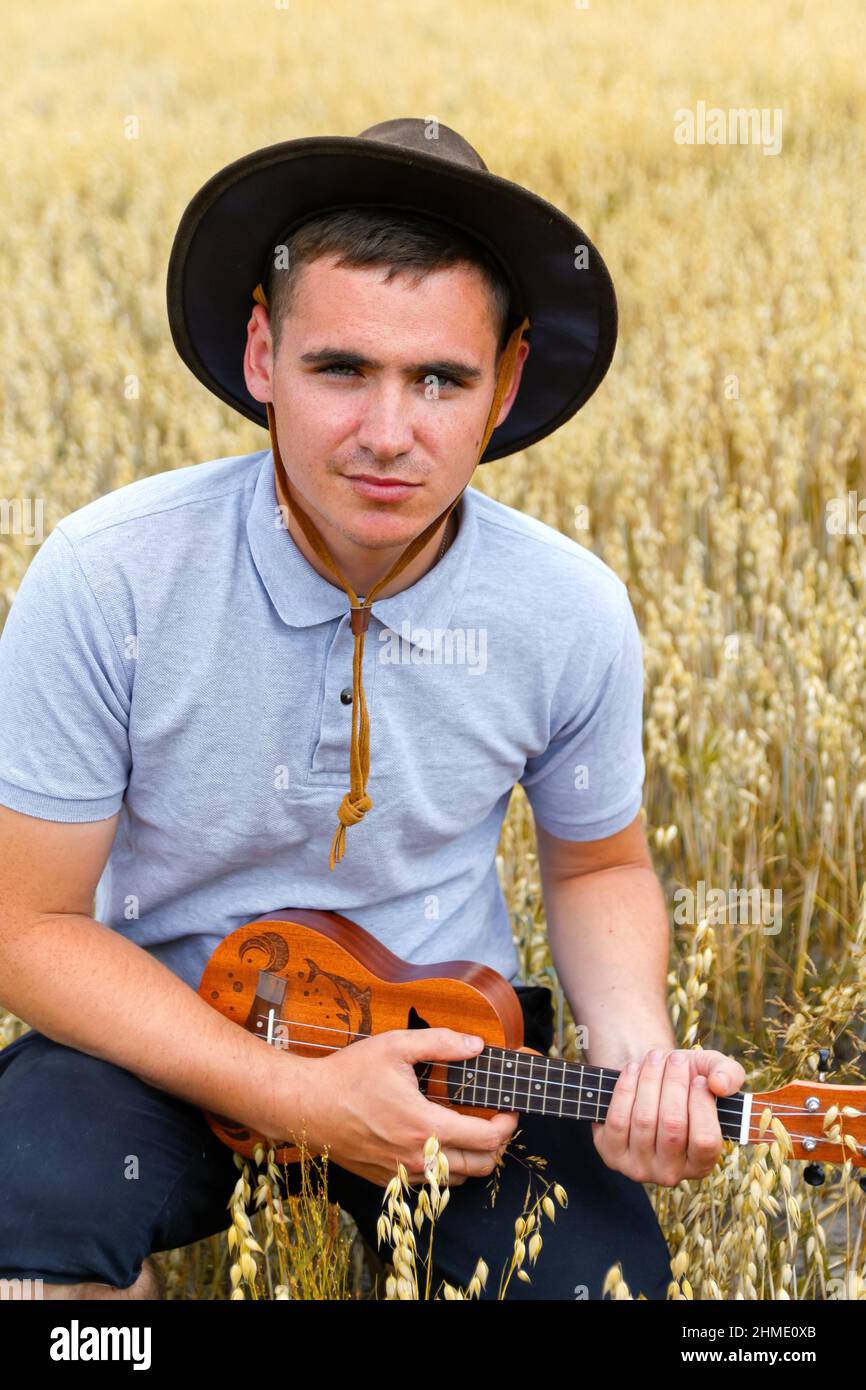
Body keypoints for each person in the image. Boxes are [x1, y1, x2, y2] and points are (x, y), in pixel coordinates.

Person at [0, 118, 744, 1301]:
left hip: (454, 1055)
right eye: (340, 368)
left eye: (441, 378)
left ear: (503, 382)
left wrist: (636, 1054)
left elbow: (599, 867)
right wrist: (292, 1094)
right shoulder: (106, 576)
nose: (388, 434)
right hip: (161, 1042)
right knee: (29, 1248)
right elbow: (28, 925)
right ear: (261, 354)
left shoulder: (567, 606)